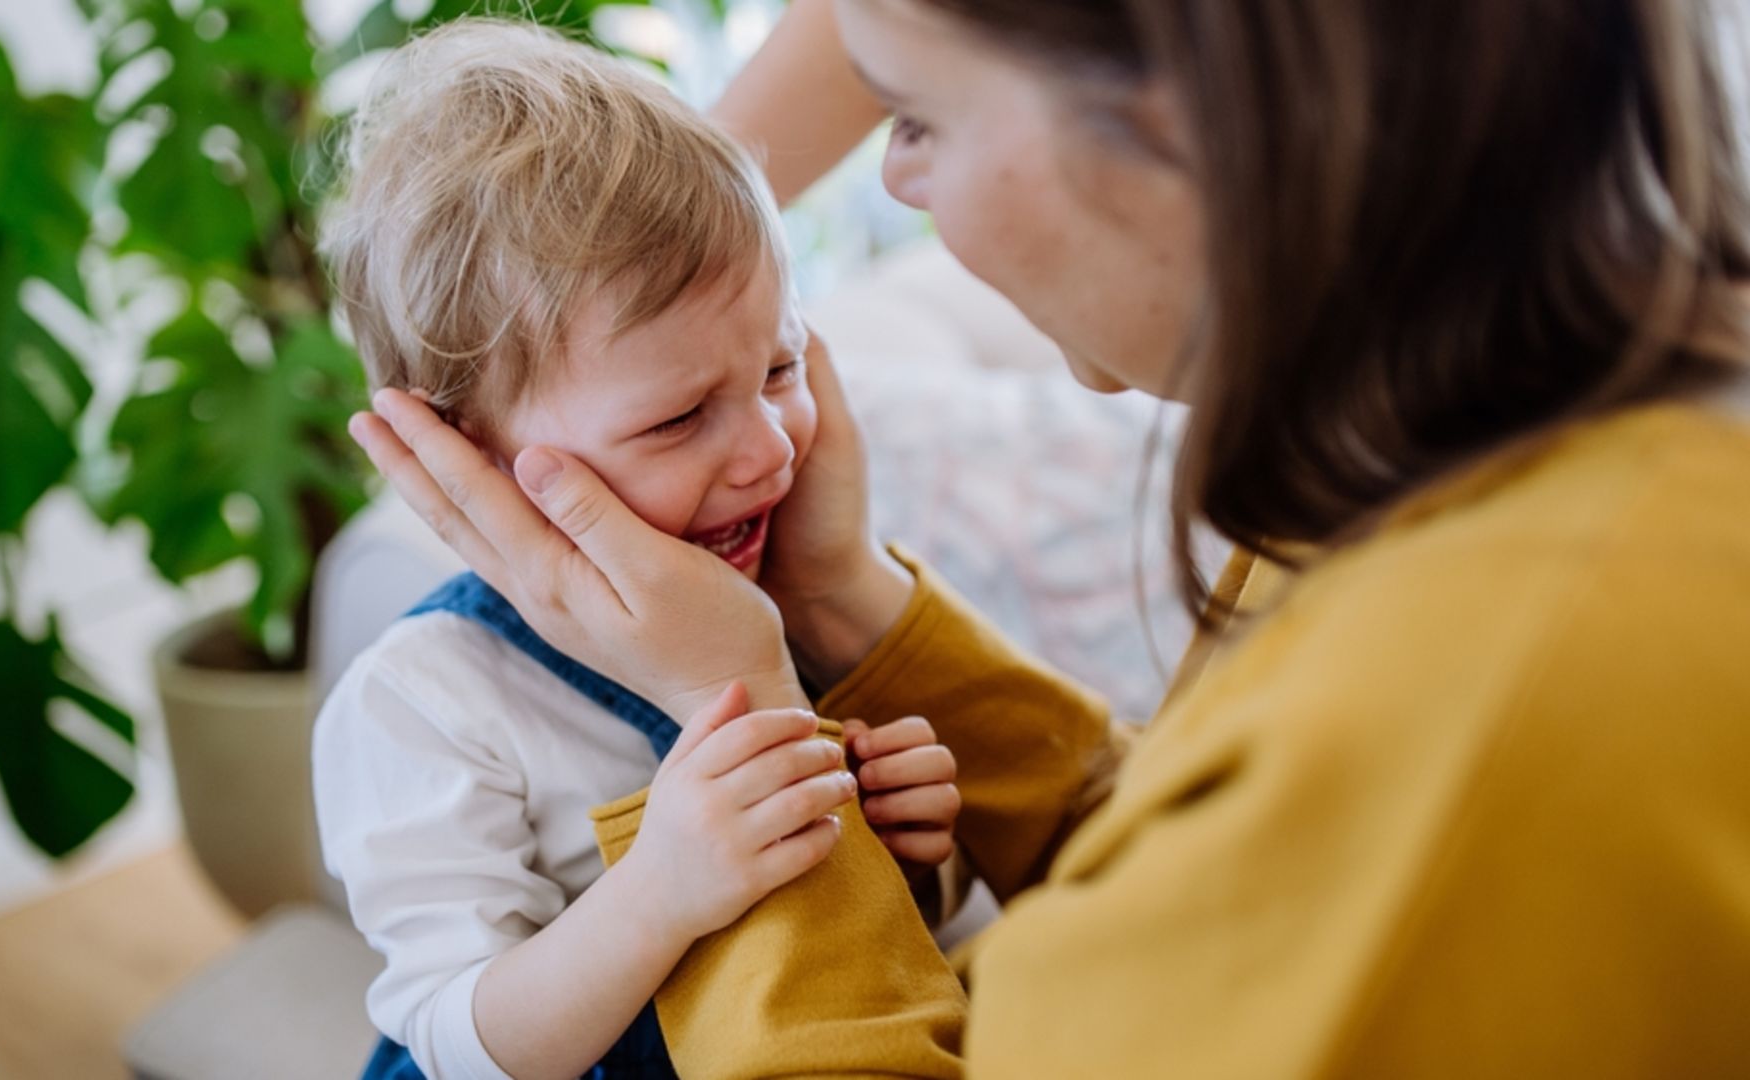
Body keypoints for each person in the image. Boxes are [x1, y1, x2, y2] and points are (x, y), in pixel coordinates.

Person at [350, 0, 1750, 1075]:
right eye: (674, 415)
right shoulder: (1454, 481)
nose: (896, 180)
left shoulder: (1477, 696)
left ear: (1195, 110)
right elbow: (1177, 886)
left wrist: (751, 720)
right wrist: (849, 618)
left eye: (915, 112)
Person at [311, 20, 967, 1080]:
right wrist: (658, 893)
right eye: (675, 420)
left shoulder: (769, 596)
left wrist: (906, 858)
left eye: (779, 367)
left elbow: (876, 954)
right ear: (463, 453)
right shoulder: (425, 699)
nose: (766, 451)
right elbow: (456, 1042)